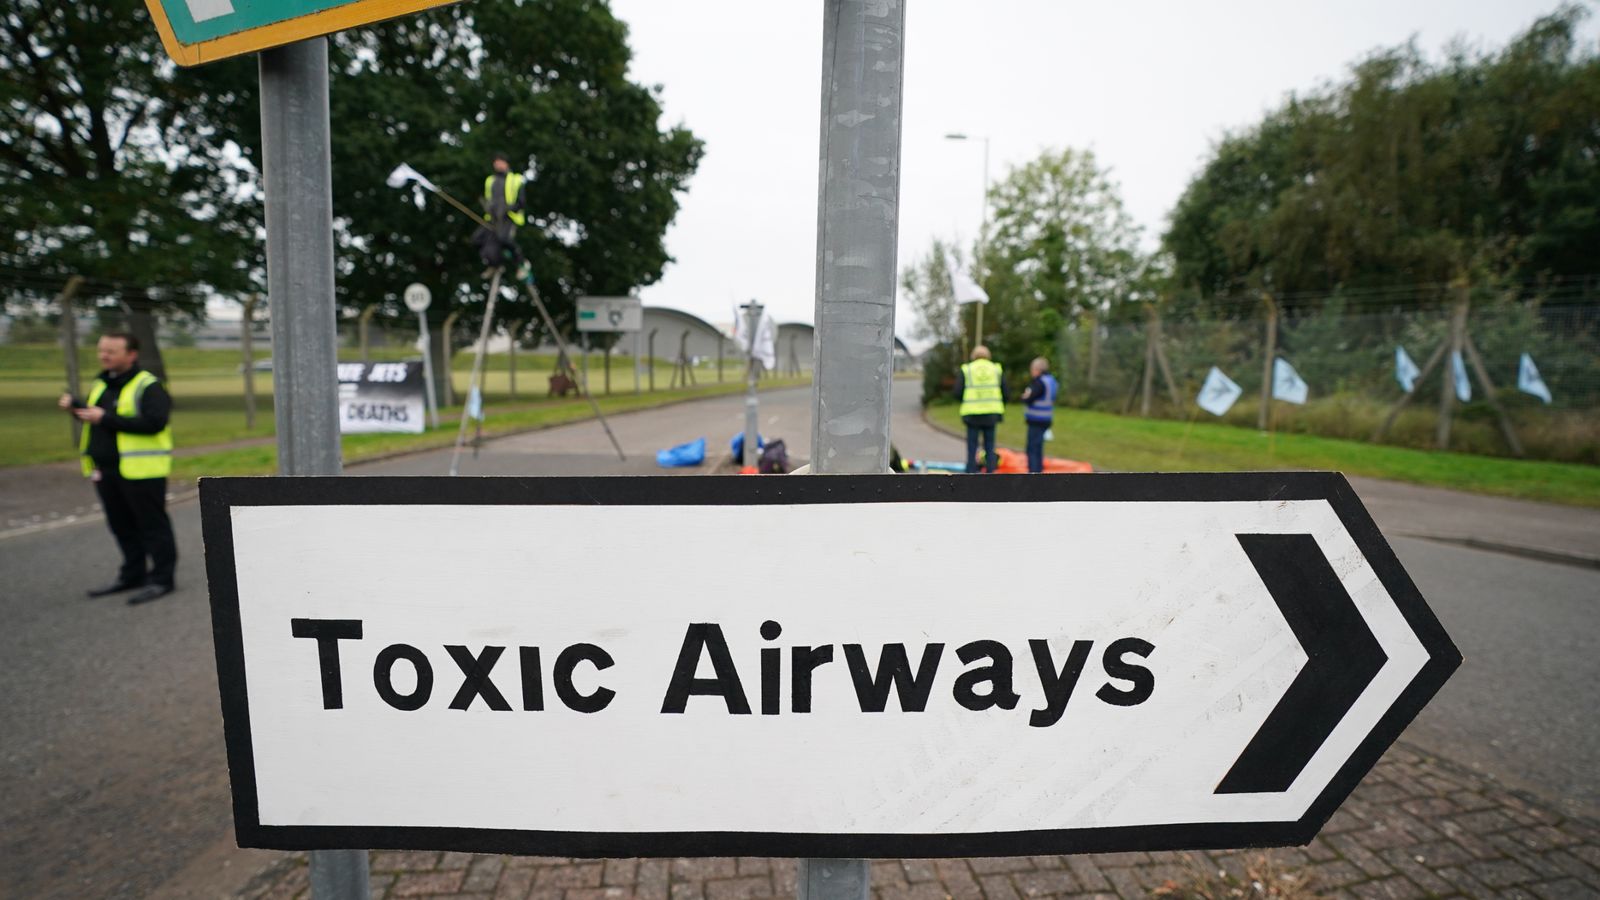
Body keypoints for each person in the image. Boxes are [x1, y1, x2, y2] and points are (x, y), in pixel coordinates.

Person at [59, 333, 176, 605]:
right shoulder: (102, 383)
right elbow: (98, 419)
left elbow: (155, 423)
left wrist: (106, 418)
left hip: (142, 470)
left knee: (152, 526)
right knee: (121, 525)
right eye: (102, 351)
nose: (104, 356)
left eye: (111, 351)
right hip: (105, 468)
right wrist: (77, 408)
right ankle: (132, 574)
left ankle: (162, 579)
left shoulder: (148, 385)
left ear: (131, 354)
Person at [953, 345, 1005, 473]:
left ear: (973, 356)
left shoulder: (967, 369)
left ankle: (971, 472)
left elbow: (957, 392)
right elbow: (1006, 391)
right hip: (991, 413)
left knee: (972, 446)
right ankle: (990, 471)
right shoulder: (996, 369)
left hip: (972, 414)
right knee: (990, 445)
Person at [479, 151, 528, 274]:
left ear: (506, 164)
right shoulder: (490, 180)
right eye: (496, 163)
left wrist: (508, 209)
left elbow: (521, 202)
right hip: (493, 219)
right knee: (478, 239)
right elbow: (489, 198)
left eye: (501, 162)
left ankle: (521, 262)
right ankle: (495, 264)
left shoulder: (516, 179)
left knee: (503, 238)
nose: (498, 165)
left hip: (509, 217)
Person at [1019, 357, 1059, 474]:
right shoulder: (1051, 380)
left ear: (1037, 369)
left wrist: (1024, 397)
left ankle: (1033, 474)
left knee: (1032, 448)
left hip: (1036, 419)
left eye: (1032, 369)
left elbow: (1030, 397)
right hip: (1047, 418)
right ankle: (1039, 471)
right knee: (1039, 447)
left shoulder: (1039, 382)